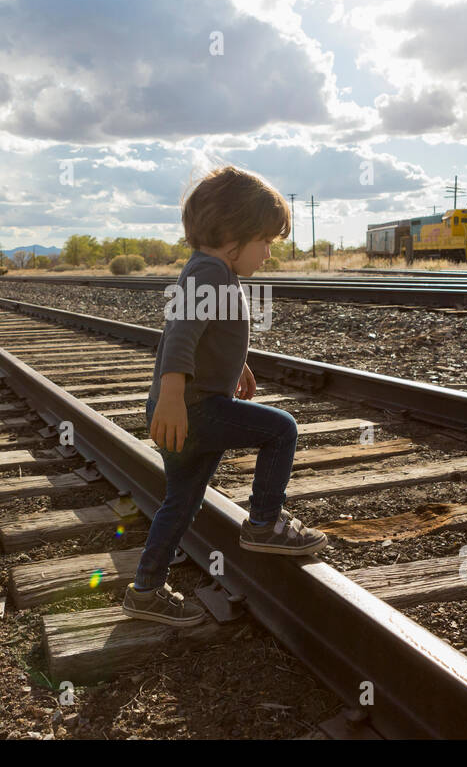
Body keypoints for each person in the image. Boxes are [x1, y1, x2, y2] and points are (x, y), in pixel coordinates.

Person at [122, 165, 328, 627]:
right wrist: (174, 395)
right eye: (267, 242)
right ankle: (264, 523)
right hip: (191, 411)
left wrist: (238, 367)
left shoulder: (211, 270)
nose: (269, 255)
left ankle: (146, 590)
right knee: (281, 429)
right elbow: (178, 335)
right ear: (235, 235)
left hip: (186, 410)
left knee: (182, 503)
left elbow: (208, 333)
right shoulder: (210, 272)